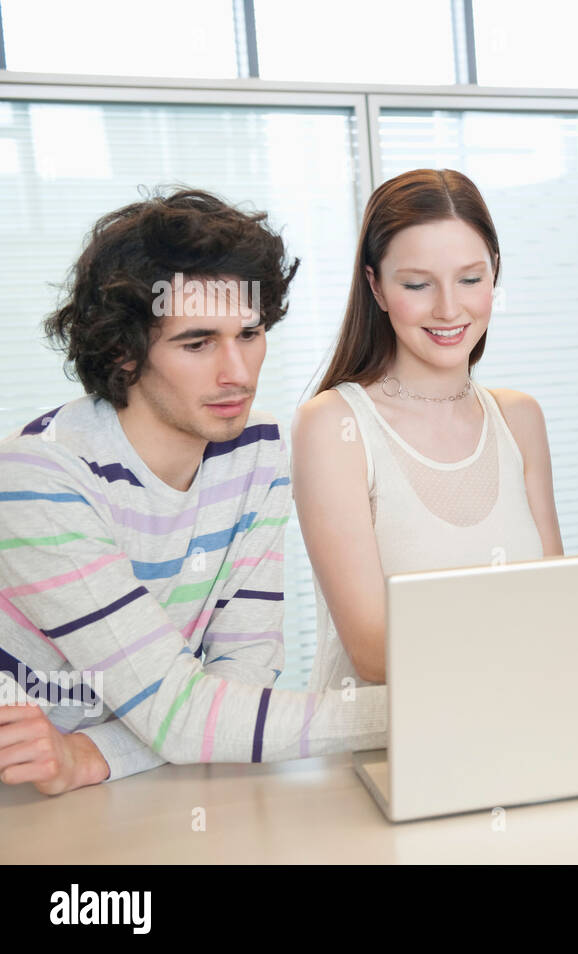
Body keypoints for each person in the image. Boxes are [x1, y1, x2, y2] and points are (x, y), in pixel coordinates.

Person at [0, 189, 386, 796]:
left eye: (250, 333)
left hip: (132, 789)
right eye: (197, 342)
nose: (237, 372)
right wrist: (421, 712)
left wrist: (94, 755)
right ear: (124, 353)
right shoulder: (38, 479)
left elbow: (238, 684)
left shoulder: (255, 451)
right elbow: (183, 721)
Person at [293, 169, 563, 690]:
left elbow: (553, 600)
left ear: (495, 273)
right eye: (417, 284)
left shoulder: (519, 419)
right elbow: (373, 652)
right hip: (382, 749)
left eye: (470, 279)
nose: (447, 308)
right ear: (375, 285)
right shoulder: (333, 425)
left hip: (517, 731)